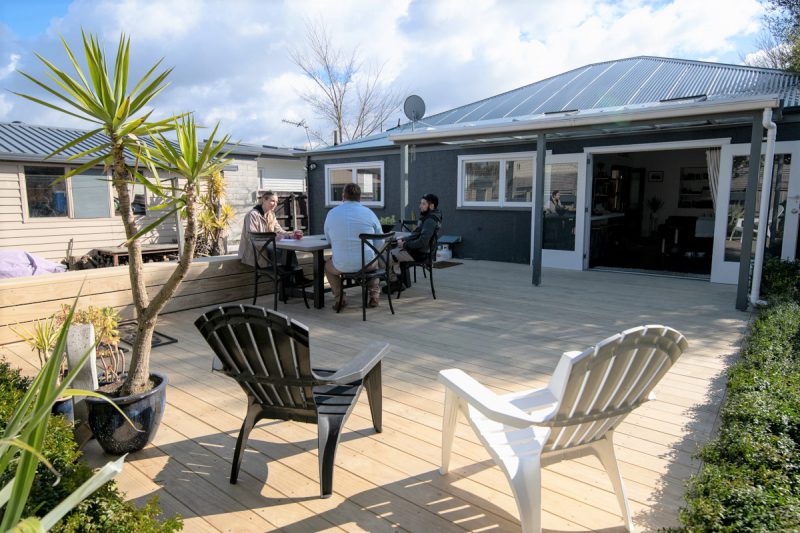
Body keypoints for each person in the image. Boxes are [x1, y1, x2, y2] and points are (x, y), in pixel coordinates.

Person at [324, 183, 384, 311]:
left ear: (343, 196)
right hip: (366, 265)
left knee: (328, 267)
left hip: (341, 265)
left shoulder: (332, 213)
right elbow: (380, 242)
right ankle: (374, 296)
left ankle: (340, 298)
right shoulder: (369, 213)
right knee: (374, 260)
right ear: (360, 198)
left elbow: (329, 240)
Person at [392, 194, 442, 287]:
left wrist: (405, 245)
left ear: (431, 206)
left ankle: (397, 284)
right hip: (421, 251)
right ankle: (402, 282)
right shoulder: (429, 217)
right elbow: (416, 234)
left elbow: (422, 242)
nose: (420, 206)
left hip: (422, 254)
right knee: (394, 250)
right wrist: (404, 239)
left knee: (391, 255)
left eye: (423, 204)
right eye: (421, 203)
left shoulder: (430, 220)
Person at [238, 190, 292, 268]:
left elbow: (279, 230)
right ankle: (287, 278)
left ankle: (297, 276)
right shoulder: (252, 215)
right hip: (255, 251)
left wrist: (291, 235)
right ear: (264, 200)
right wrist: (273, 238)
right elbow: (252, 237)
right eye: (272, 201)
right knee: (283, 253)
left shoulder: (271, 215)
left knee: (289, 251)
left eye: (276, 202)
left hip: (267, 248)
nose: (275, 204)